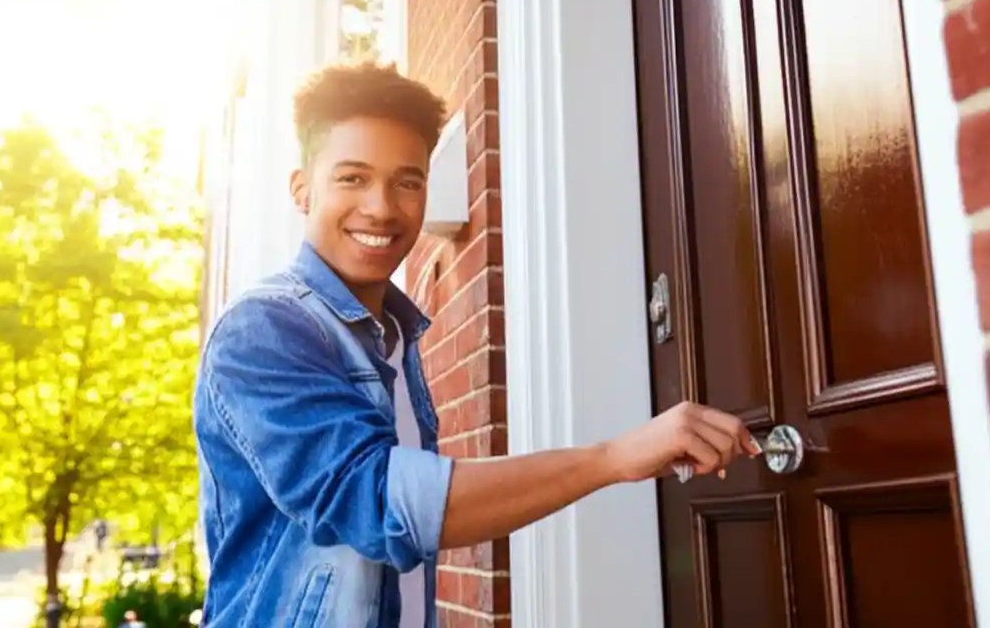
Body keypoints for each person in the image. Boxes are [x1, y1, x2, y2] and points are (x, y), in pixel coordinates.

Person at [193, 62, 761, 627]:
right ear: (302, 189)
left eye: (408, 181)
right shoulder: (263, 329)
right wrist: (612, 459)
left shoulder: (391, 337)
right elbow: (378, 502)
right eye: (352, 178)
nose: (383, 207)